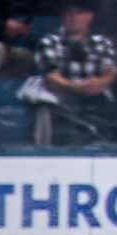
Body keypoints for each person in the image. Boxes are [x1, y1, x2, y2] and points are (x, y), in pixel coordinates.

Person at [34, 0, 117, 146]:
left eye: (79, 13)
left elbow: (109, 69)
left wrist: (101, 82)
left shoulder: (101, 41)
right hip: (61, 100)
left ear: (89, 16)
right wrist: (76, 86)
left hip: (96, 96)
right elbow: (51, 75)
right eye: (69, 13)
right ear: (63, 16)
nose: (74, 17)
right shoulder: (50, 41)